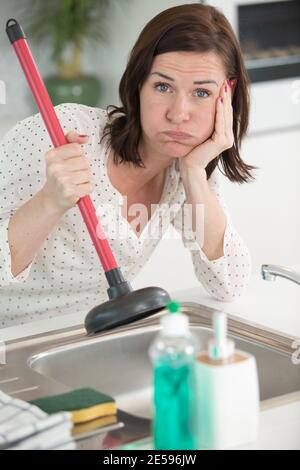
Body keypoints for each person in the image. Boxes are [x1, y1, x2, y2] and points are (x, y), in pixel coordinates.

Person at [0, 3, 256, 327]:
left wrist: (194, 174)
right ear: (138, 85)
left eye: (202, 92)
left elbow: (228, 284)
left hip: (88, 339)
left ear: (226, 97)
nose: (178, 113)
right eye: (162, 87)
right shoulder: (59, 134)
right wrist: (49, 202)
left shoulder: (187, 167)